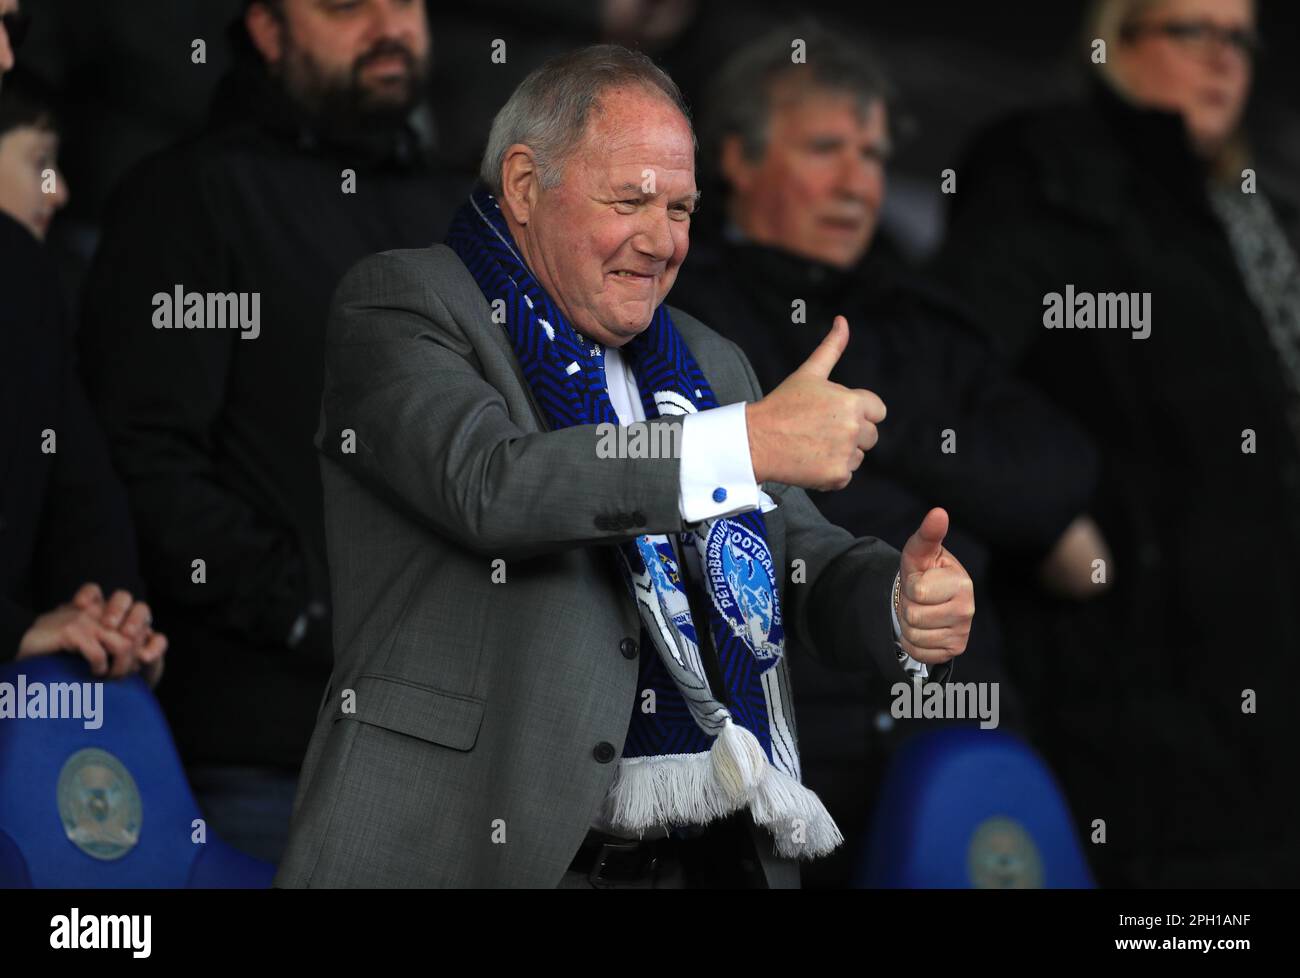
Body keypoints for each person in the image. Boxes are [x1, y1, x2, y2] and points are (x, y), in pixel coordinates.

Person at [276, 44, 976, 889]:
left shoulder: (708, 361)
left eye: (680, 209)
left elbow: (798, 555)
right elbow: (493, 484)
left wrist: (898, 602)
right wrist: (742, 443)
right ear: (525, 185)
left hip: (697, 861)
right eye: (631, 200)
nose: (662, 240)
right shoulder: (402, 300)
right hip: (463, 849)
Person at [669, 23, 1105, 888]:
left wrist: (872, 431)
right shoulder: (679, 313)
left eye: (871, 155)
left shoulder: (922, 315)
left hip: (956, 736)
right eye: (825, 148)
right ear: (738, 159)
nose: (857, 181)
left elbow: (1057, 475)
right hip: (766, 755)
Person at [78, 0, 472, 864]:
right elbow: (143, 458)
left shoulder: (460, 205)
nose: (389, 24)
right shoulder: (191, 194)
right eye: (345, 5)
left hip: (460, 748)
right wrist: (309, 612)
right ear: (266, 29)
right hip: (269, 755)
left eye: (405, 1)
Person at [933, 0, 1300, 886]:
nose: (1225, 59)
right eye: (1193, 30)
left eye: (1240, 39)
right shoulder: (1050, 166)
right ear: (1113, 42)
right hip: (1137, 706)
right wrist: (1050, 517)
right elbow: (948, 373)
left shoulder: (1253, 213)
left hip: (1268, 689)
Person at [1, 0, 164, 685]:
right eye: (39, 162)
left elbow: (79, 487)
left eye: (12, 27)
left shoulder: (20, 270)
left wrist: (111, 616)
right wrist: (12, 631)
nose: (6, 56)